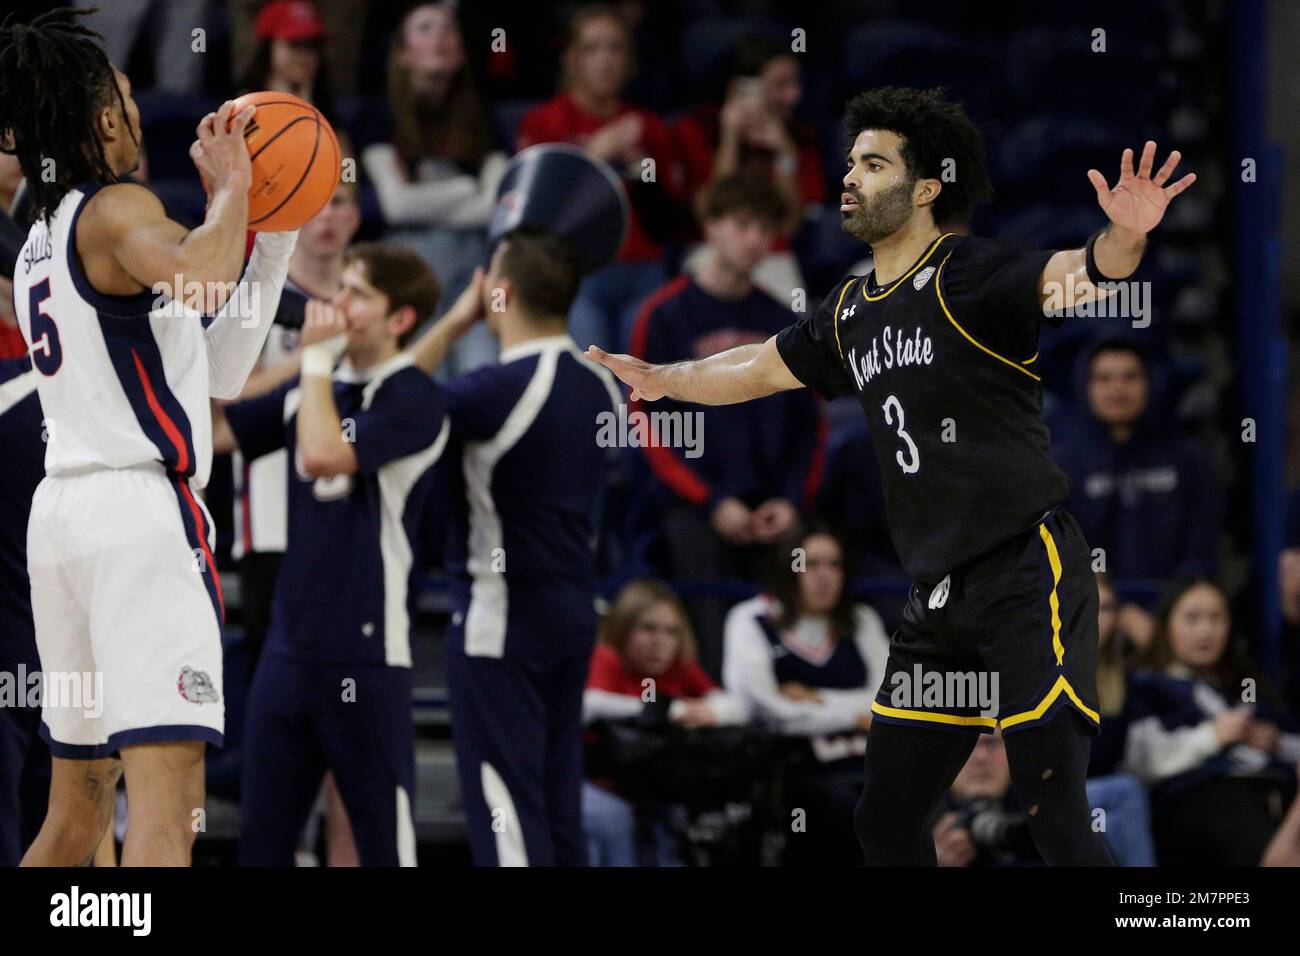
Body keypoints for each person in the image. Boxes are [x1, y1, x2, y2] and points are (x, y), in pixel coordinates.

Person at [588, 85, 1197, 866]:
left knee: (1054, 809)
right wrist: (667, 378)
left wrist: (1124, 233)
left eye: (873, 165)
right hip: (935, 602)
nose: (850, 177)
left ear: (925, 187)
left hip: (1023, 572)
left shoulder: (968, 274)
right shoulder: (848, 310)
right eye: (849, 163)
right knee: (885, 821)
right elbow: (756, 366)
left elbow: (1078, 277)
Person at [3, 8, 298, 866]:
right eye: (129, 99)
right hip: (137, 520)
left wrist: (268, 238)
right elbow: (206, 277)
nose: (141, 115)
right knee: (170, 811)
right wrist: (236, 186)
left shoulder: (42, 239)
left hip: (64, 526)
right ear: (101, 121)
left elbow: (212, 375)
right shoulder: (116, 209)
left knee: (74, 818)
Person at [213, 243, 444, 866]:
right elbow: (210, 432)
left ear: (401, 319)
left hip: (368, 658)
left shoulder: (414, 398)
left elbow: (321, 454)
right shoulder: (309, 390)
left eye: (358, 294)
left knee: (381, 848)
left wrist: (312, 363)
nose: (336, 304)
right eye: (339, 287)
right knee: (261, 845)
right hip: (290, 650)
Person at [407, 227, 621, 866]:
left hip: (502, 620)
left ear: (499, 296)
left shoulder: (496, 390)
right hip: (573, 612)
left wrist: (453, 322)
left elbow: (396, 400)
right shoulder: (603, 386)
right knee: (559, 804)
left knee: (506, 808)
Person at [629, 173, 825, 673]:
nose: (754, 240)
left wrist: (789, 500)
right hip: (693, 505)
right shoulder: (665, 314)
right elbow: (644, 422)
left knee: (805, 574)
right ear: (711, 227)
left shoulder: (784, 319)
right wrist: (710, 501)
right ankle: (717, 712)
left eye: (764, 229)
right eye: (742, 225)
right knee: (703, 593)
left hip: (771, 505)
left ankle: (792, 705)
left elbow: (810, 425)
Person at [515, 4, 688, 355]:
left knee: (645, 384)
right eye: (592, 49)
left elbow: (675, 220)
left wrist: (644, 173)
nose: (605, 60)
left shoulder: (647, 125)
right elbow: (533, 215)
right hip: (579, 269)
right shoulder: (544, 122)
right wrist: (595, 154)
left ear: (630, 61)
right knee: (594, 379)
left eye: (615, 49)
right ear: (573, 59)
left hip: (643, 269)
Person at [723, 525, 889, 864]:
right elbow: (763, 709)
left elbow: (888, 700)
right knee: (848, 812)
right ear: (788, 567)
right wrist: (855, 715)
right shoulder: (750, 620)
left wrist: (814, 698)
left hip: (869, 765)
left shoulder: (861, 620)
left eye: (834, 565)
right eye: (811, 564)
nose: (824, 576)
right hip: (798, 773)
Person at [361, 2, 506, 376]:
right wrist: (465, 187)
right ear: (404, 52)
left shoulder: (481, 116)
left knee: (481, 369)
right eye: (425, 29)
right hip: (410, 265)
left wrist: (425, 200)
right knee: (423, 374)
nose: (440, 37)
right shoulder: (381, 114)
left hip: (471, 269)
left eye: (448, 29)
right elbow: (397, 207)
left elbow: (494, 206)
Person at [1123, 577, 1300, 866]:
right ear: (1166, 625)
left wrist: (1277, 743)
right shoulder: (1147, 685)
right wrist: (1211, 737)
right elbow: (1141, 762)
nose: (1206, 630)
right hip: (1200, 798)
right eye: (1192, 619)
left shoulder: (1245, 682)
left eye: (1216, 618)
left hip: (1273, 788)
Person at [582, 579, 746, 866]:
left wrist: (710, 713)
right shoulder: (607, 658)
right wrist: (670, 708)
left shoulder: (678, 667)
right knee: (611, 819)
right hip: (598, 784)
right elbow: (590, 703)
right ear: (622, 627)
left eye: (671, 631)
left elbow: (736, 706)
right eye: (648, 629)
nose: (660, 641)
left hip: (659, 789)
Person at [674, 32, 827, 303]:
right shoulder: (695, 129)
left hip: (774, 255)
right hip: (710, 251)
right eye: (781, 85)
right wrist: (730, 138)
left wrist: (784, 155)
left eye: (795, 83)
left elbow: (788, 226)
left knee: (792, 336)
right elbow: (707, 211)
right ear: (741, 87)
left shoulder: (800, 138)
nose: (794, 95)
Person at [1083, 573, 1156, 867]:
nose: (1098, 618)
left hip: (1097, 799)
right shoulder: (1039, 671)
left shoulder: (1123, 680)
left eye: (1107, 608)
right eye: (1088, 605)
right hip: (1047, 792)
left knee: (1111, 828)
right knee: (1126, 791)